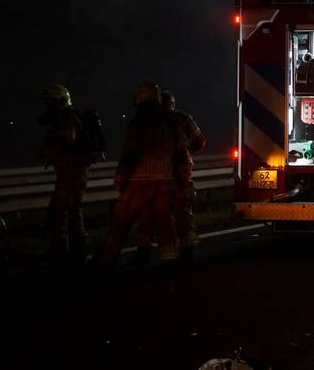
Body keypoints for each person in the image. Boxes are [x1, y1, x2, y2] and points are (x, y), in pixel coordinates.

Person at [94, 82, 182, 269]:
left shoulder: (138, 123)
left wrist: (121, 176)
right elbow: (178, 152)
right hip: (165, 181)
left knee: (120, 221)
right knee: (164, 221)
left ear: (140, 99)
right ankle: (172, 261)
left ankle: (105, 262)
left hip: (140, 181)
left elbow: (131, 152)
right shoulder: (171, 123)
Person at [130, 90, 206, 264]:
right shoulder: (182, 118)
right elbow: (199, 140)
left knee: (151, 211)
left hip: (156, 173)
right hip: (178, 170)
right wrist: (186, 152)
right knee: (181, 209)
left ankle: (145, 251)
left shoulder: (148, 122)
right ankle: (185, 250)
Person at [38, 84, 90, 264]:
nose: (48, 106)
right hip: (77, 170)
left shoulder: (66, 119)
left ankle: (59, 252)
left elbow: (62, 142)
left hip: (71, 170)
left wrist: (47, 150)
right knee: (74, 210)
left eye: (50, 102)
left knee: (59, 211)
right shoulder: (72, 118)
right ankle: (79, 250)